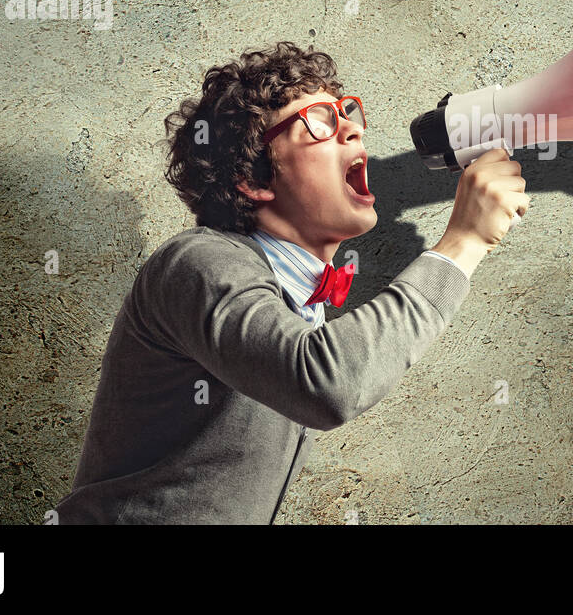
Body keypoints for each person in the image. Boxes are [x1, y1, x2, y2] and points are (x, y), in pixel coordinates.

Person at [54, 41, 528, 523]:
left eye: (348, 112)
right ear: (254, 179)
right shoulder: (197, 261)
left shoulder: (296, 301)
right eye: (320, 120)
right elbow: (327, 385)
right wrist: (463, 242)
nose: (354, 128)